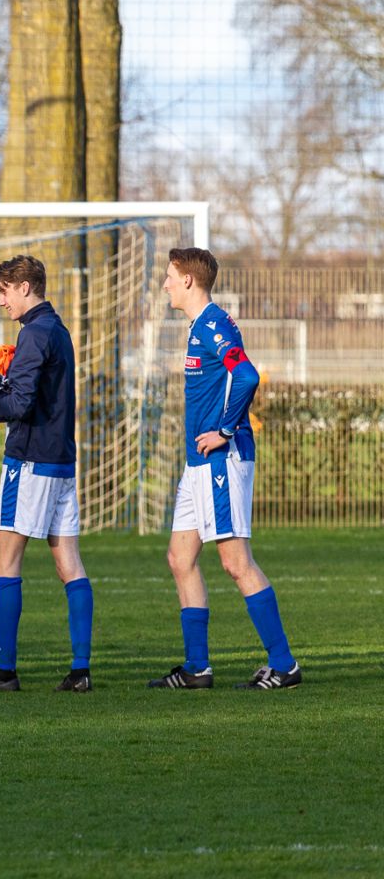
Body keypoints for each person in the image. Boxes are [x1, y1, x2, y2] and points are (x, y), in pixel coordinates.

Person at [150, 247, 300, 690]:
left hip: (221, 459)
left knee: (236, 563)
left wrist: (224, 429)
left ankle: (285, 665)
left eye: (170, 277)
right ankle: (197, 668)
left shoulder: (213, 324)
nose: (165, 284)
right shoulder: (200, 326)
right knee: (180, 558)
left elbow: (247, 375)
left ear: (189, 281)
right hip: (198, 463)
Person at [0, 256, 95, 693]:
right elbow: (13, 392)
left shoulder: (33, 334)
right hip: (61, 462)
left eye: (4, 291)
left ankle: (5, 673)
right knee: (68, 562)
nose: (1, 301)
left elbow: (16, 405)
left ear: (26, 287)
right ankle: (79, 670)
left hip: (30, 461)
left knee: (5, 560)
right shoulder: (58, 330)